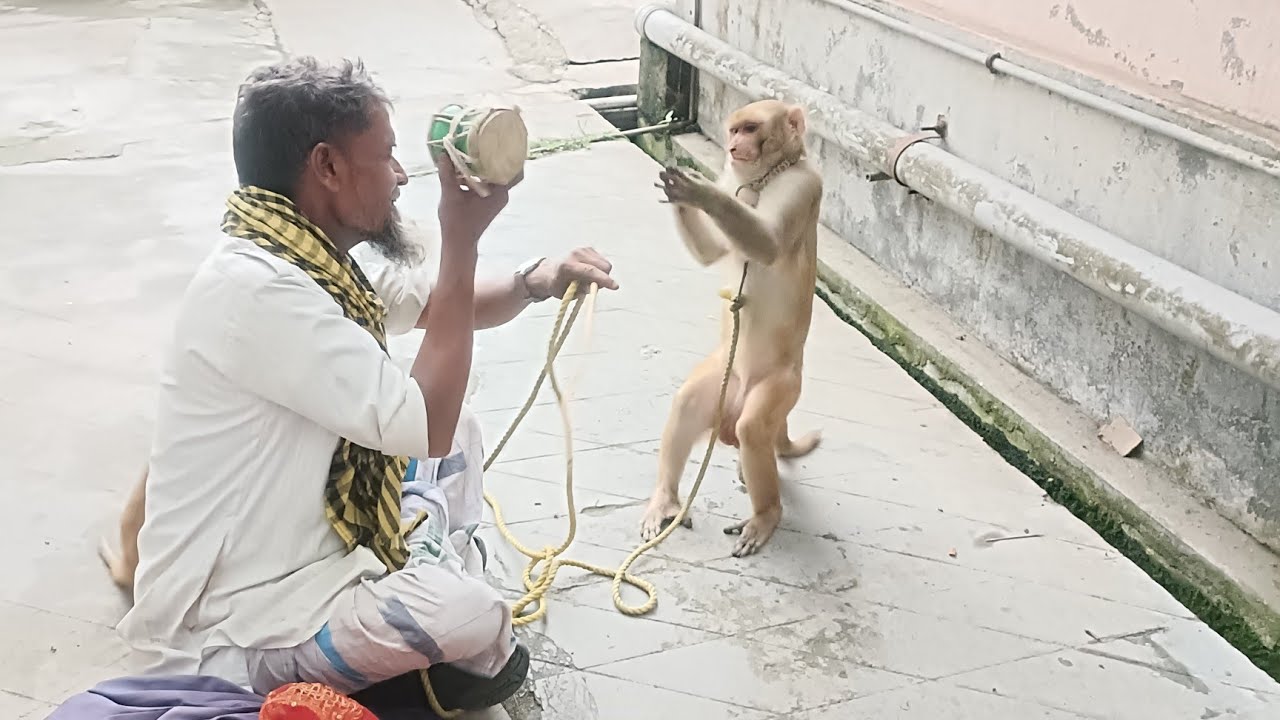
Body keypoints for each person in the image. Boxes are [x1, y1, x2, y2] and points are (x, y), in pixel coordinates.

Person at [114, 56, 618, 714]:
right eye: (386, 156)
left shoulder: (307, 262)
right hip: (236, 623)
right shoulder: (259, 292)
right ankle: (431, 567)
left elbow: (442, 302)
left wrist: (536, 279)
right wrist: (460, 236)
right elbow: (425, 419)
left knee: (460, 434)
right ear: (327, 168)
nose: (402, 176)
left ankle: (425, 559)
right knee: (470, 614)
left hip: (307, 555)